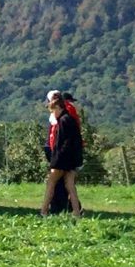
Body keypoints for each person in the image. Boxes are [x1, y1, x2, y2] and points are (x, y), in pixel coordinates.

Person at [41, 90, 84, 218]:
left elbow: (62, 144)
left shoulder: (63, 121)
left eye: (53, 110)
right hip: (71, 161)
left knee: (50, 183)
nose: (53, 113)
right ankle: (76, 212)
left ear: (58, 107)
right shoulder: (70, 119)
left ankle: (43, 211)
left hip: (62, 160)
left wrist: (55, 161)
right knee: (70, 186)